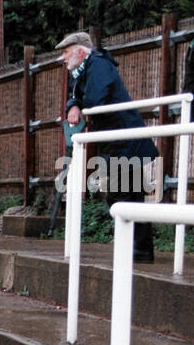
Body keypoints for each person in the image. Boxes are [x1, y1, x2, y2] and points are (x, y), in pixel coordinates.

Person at [58, 31, 159, 262]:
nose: (62, 58)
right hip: (116, 141)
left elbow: (95, 98)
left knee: (123, 196)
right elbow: (76, 94)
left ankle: (138, 249)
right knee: (127, 195)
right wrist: (73, 105)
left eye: (65, 52)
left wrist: (79, 104)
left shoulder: (99, 66)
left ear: (80, 51)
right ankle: (139, 250)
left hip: (124, 141)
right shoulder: (82, 71)